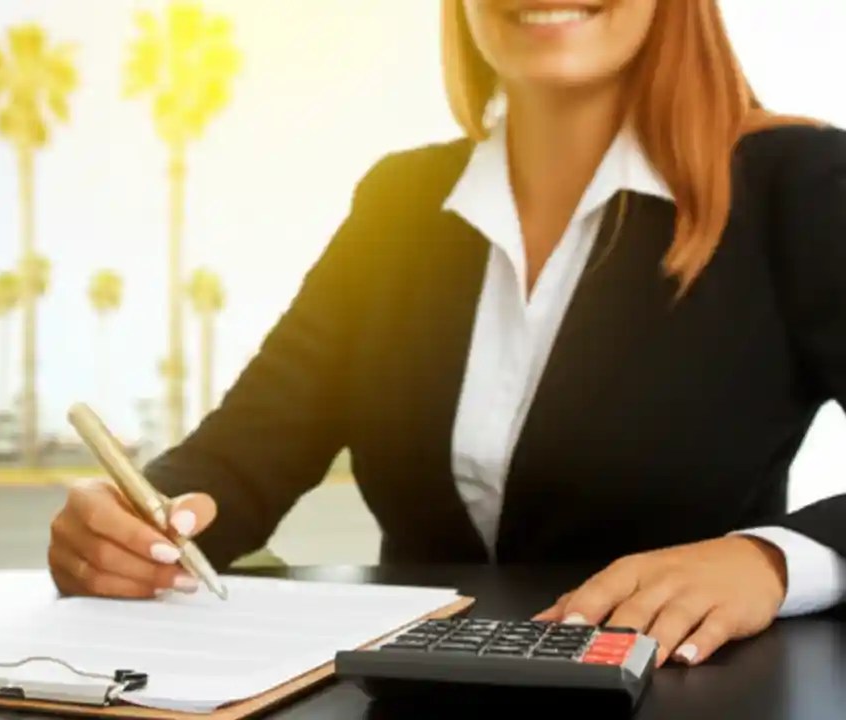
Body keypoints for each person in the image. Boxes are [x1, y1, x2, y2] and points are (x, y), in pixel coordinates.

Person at [48, 0, 846, 669]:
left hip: (688, 693)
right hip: (412, 693)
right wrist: (140, 526)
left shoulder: (801, 184)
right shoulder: (400, 201)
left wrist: (771, 560)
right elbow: (244, 455)